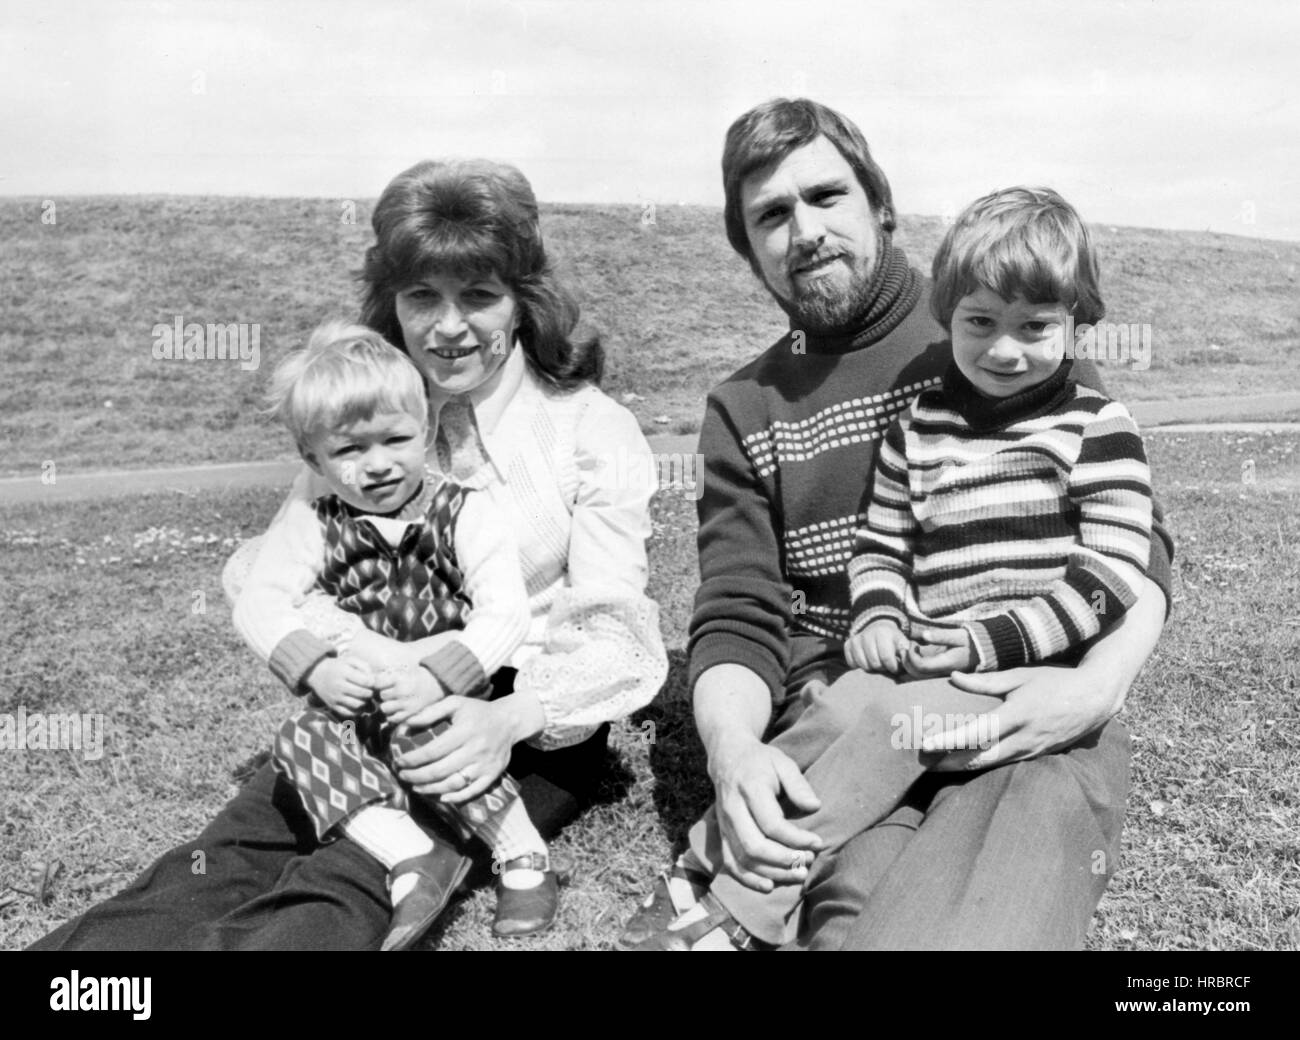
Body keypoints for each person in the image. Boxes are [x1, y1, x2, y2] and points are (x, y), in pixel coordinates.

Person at [31, 158, 667, 951]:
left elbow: (615, 635)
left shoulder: (590, 429)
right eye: (420, 297)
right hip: (364, 704)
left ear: (523, 301)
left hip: (520, 721)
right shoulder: (368, 414)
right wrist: (355, 656)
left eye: (479, 294)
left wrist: (502, 719)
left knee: (353, 874)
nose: (448, 327)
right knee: (231, 849)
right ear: (390, 305)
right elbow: (272, 574)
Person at [620, 99, 1173, 951]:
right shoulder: (744, 406)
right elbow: (738, 604)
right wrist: (734, 755)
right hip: (855, 714)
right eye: (771, 214)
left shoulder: (1006, 311)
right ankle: (722, 885)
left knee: (970, 935)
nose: (804, 230)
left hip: (1028, 701)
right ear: (747, 247)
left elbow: (1134, 549)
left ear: (878, 202)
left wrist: (1094, 688)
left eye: (825, 195)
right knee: (847, 922)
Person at [240, 320, 567, 947]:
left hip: (444, 689)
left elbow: (505, 613)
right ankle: (413, 856)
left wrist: (439, 674)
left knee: (439, 744)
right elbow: (261, 601)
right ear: (314, 459)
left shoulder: (465, 511)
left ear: (427, 431)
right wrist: (316, 669)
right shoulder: (316, 517)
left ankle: (523, 857)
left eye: (396, 439)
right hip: (358, 692)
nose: (378, 465)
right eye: (349, 451)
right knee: (301, 740)